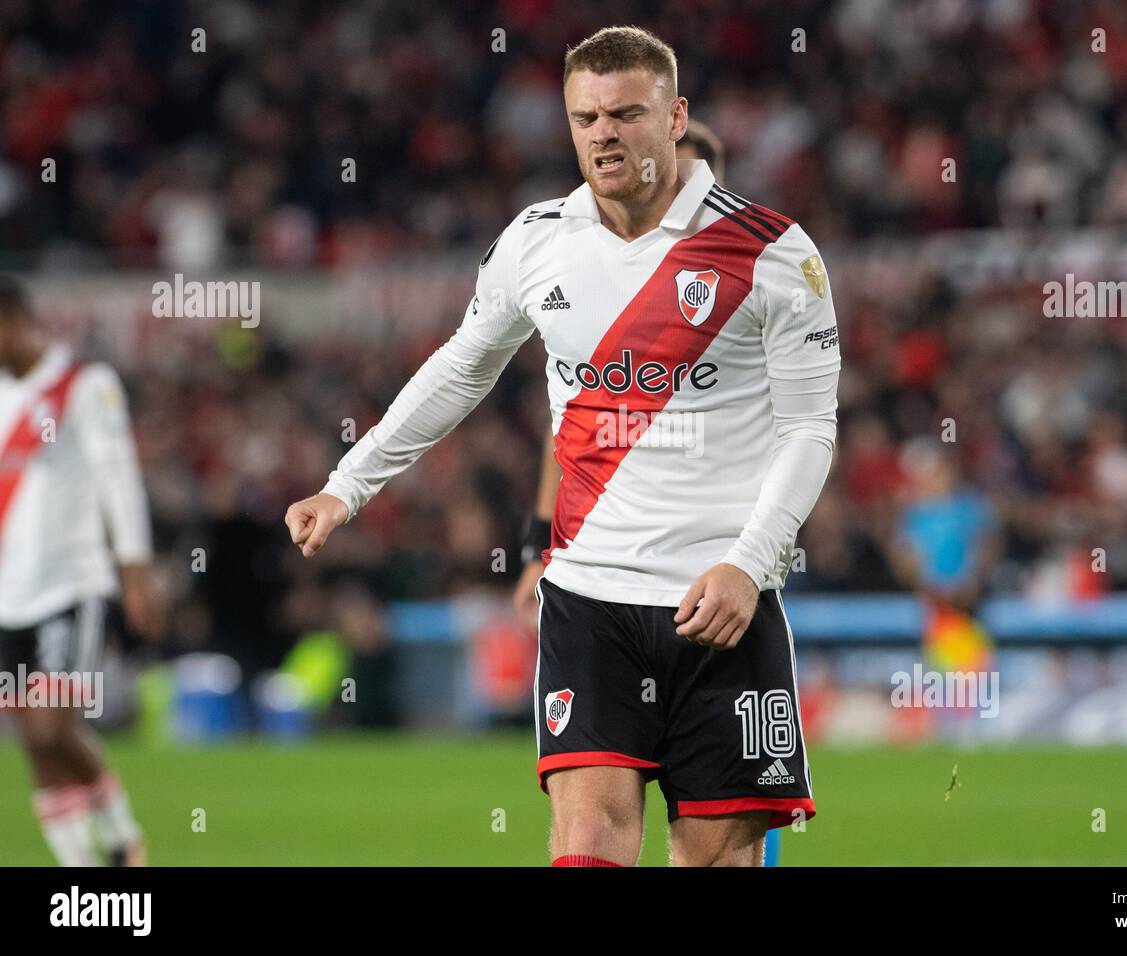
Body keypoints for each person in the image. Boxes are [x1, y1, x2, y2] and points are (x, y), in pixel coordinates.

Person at [285, 26, 840, 867]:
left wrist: (750, 561)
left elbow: (810, 429)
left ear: (676, 116)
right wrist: (346, 484)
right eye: (585, 118)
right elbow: (460, 369)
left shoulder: (772, 252)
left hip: (722, 598)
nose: (603, 134)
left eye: (625, 113)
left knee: (719, 860)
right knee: (586, 846)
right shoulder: (538, 241)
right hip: (589, 600)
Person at [512, 117, 727, 629]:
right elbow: (566, 434)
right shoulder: (603, 295)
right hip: (609, 562)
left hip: (721, 553)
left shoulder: (754, 289)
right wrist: (536, 552)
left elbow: (804, 426)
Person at [0, 275, 162, 866]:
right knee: (31, 742)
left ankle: (122, 836)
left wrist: (135, 571)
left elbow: (118, 478)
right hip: (6, 596)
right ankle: (83, 872)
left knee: (49, 728)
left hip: (69, 586)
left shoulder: (82, 385)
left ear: (15, 320)